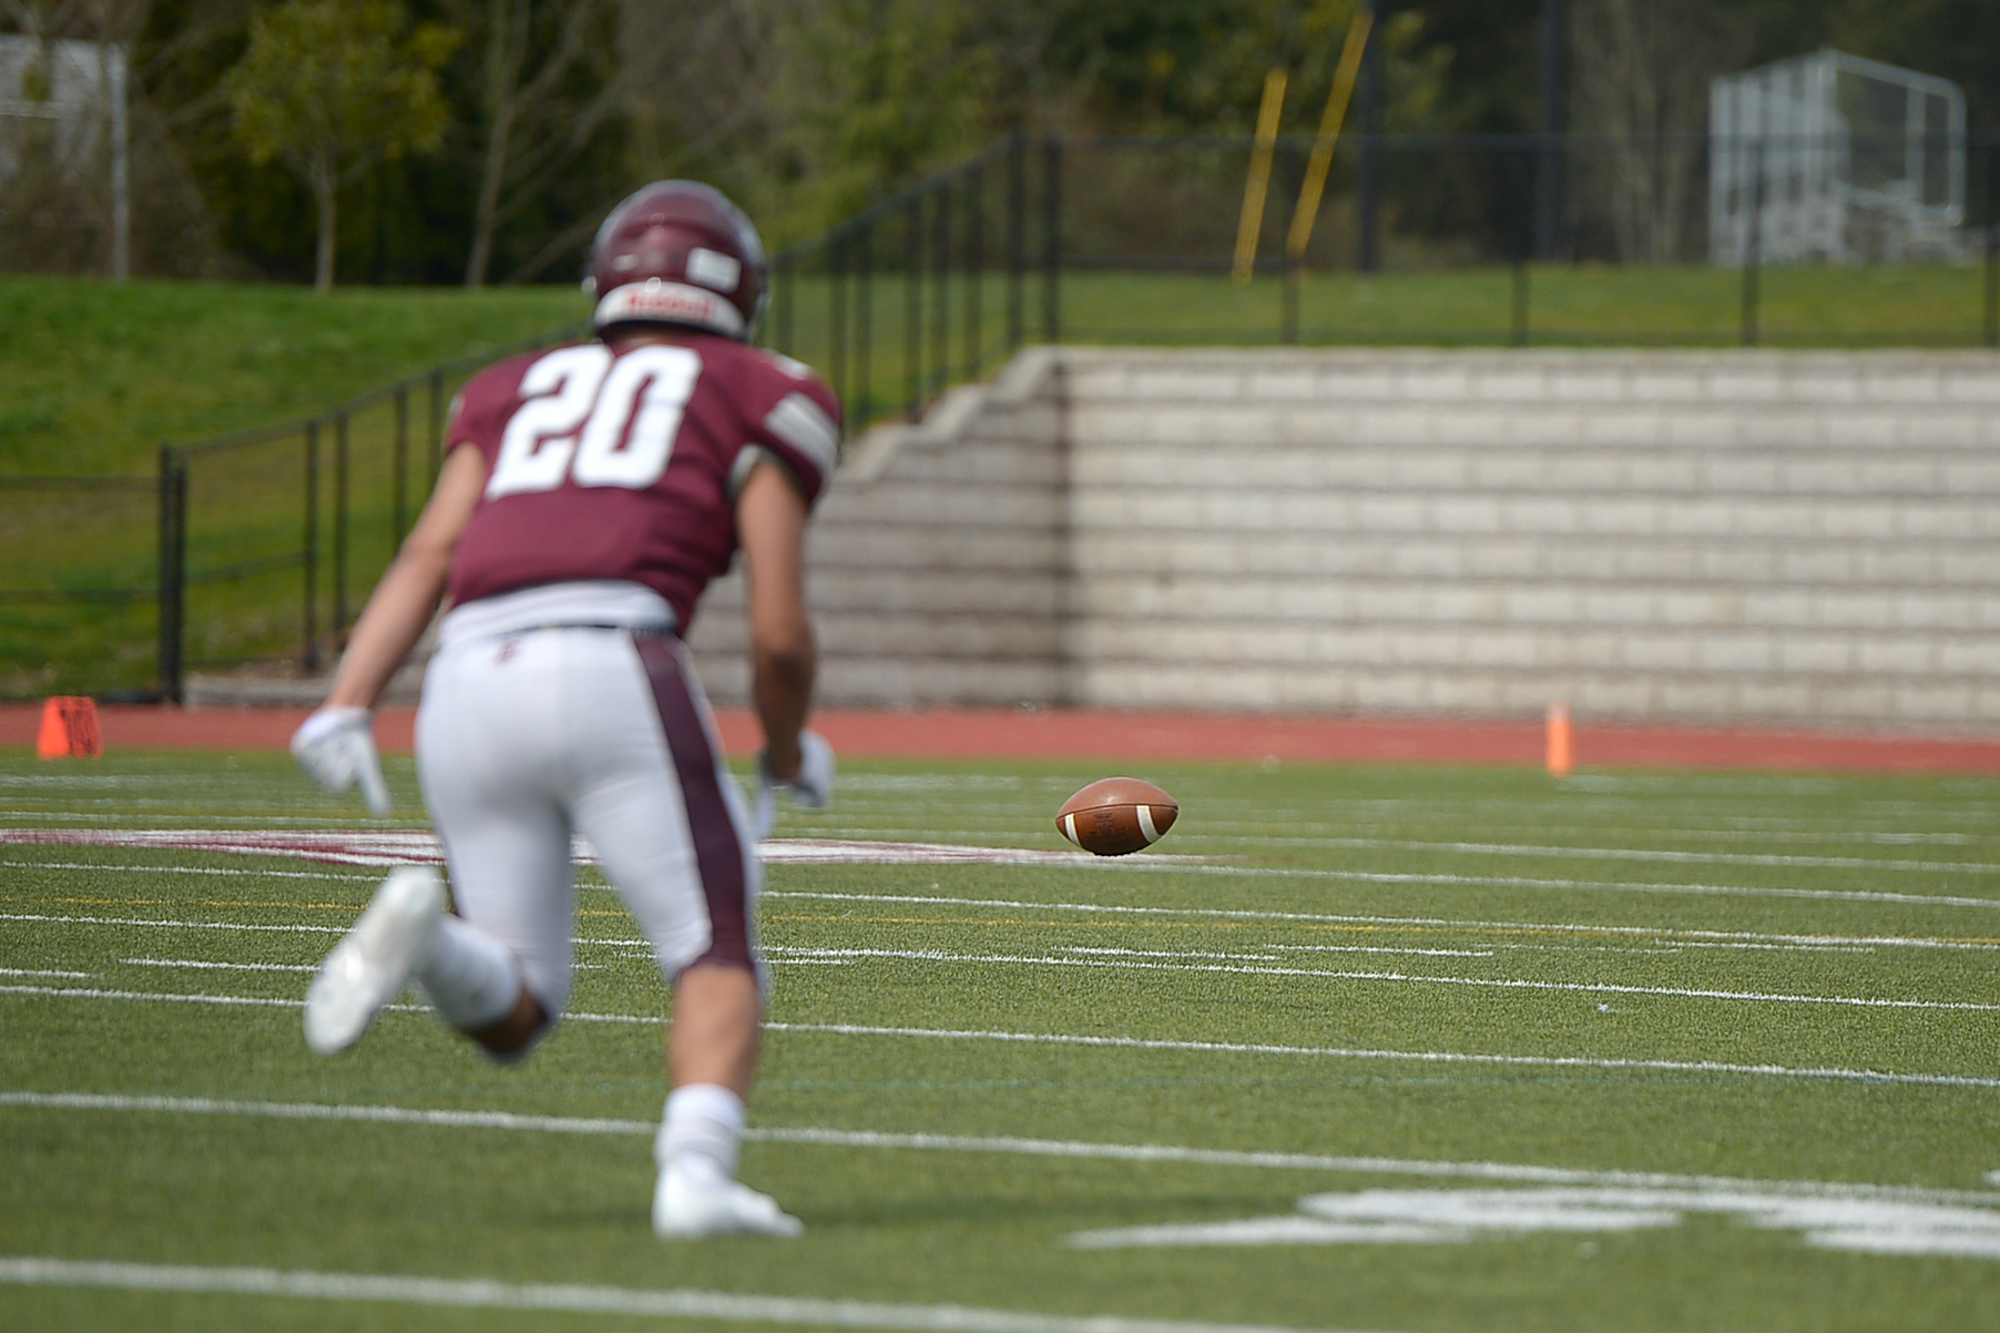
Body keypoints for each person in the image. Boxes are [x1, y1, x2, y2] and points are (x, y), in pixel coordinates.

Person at [288, 180, 841, 1240]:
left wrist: (346, 701)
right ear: (739, 290)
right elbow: (778, 631)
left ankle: (426, 936)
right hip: (611, 660)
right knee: (714, 946)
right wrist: (782, 750)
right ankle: (694, 1176)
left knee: (517, 1006)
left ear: (606, 283)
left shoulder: (513, 385)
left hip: (462, 677)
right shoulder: (765, 389)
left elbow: (432, 550)